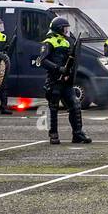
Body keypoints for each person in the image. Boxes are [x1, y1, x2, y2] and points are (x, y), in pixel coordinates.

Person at [38, 16, 92, 145]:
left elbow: (72, 60)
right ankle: (54, 134)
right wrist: (58, 68)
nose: (66, 30)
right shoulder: (49, 42)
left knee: (75, 105)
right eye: (64, 28)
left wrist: (69, 72)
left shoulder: (67, 42)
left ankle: (78, 134)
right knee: (53, 108)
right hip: (54, 80)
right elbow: (43, 61)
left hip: (66, 82)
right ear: (58, 29)